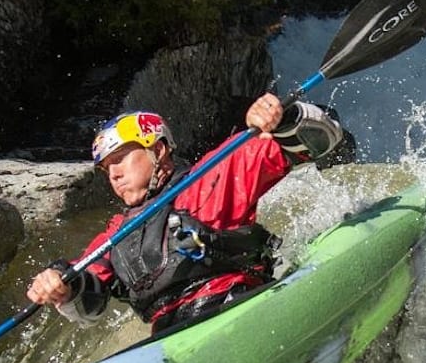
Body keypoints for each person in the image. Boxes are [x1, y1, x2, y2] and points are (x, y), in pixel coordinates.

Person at [27, 94, 347, 335]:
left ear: (158, 150)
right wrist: (62, 285)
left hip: (235, 307)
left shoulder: (209, 178)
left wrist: (281, 118)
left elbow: (327, 139)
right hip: (171, 339)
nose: (114, 175)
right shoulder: (115, 235)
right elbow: (89, 306)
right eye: (107, 168)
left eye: (122, 159)